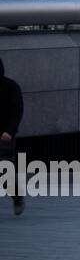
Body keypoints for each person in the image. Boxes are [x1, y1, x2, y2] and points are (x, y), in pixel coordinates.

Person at [0, 59, 25, 216]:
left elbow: (17, 110)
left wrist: (9, 131)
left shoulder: (11, 87)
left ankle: (16, 197)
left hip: (4, 136)